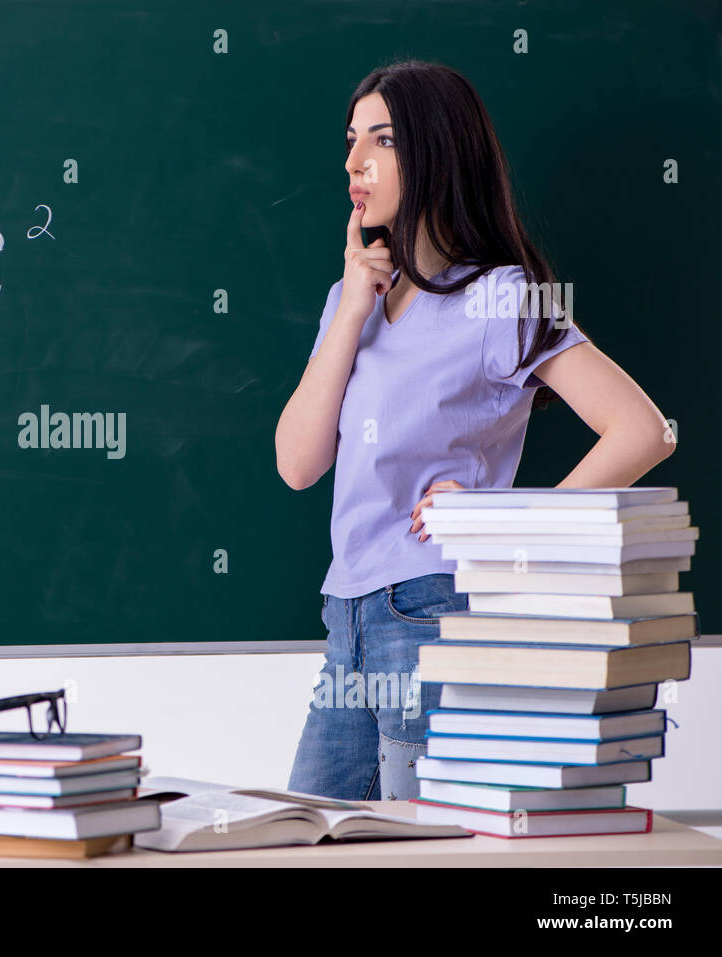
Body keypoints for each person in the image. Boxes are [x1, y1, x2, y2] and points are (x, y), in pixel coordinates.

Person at [274, 60, 676, 801]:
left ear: (435, 151)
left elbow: (643, 429)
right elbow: (298, 463)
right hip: (347, 620)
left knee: (425, 852)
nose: (354, 161)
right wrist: (354, 307)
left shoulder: (500, 295)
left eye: (382, 140)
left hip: (432, 611)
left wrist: (509, 526)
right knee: (304, 839)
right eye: (351, 139)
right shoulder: (348, 297)